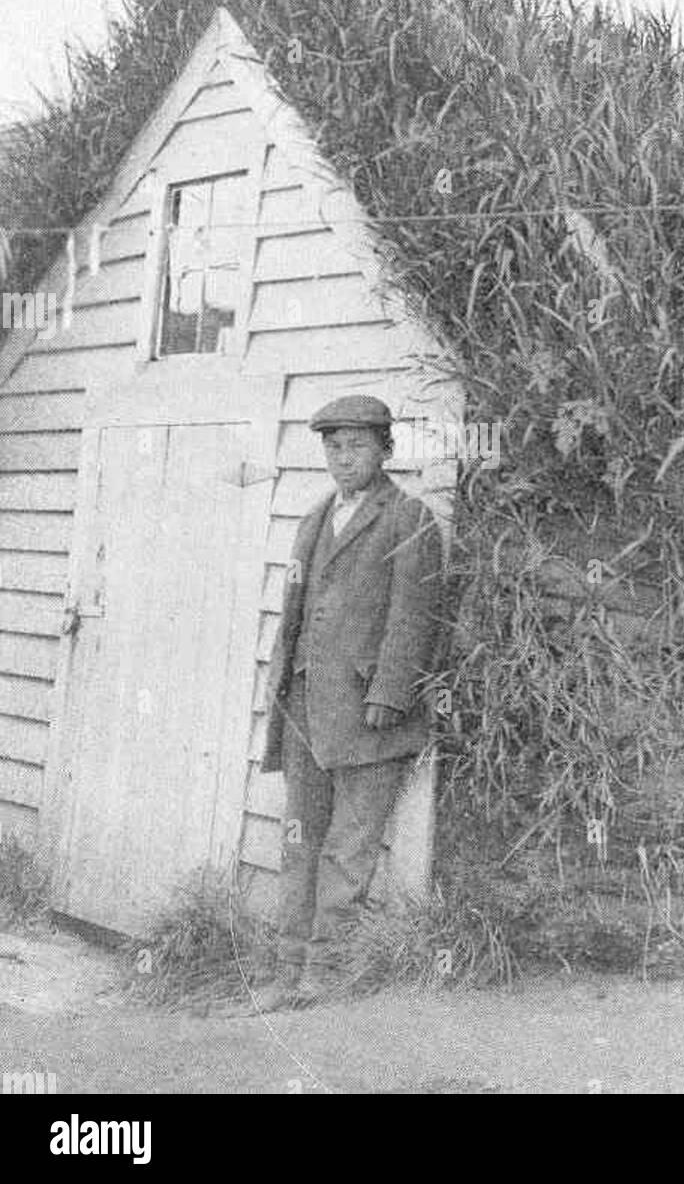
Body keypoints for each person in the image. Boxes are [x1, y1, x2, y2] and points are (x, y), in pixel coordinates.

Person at [255, 395, 443, 1010]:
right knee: (299, 838)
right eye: (333, 447)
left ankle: (325, 973)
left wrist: (391, 693)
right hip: (307, 707)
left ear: (386, 450)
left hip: (369, 714)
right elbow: (294, 618)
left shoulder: (409, 520)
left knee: (348, 848)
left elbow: (416, 619)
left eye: (356, 446)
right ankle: (286, 969)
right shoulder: (313, 519)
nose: (343, 459)